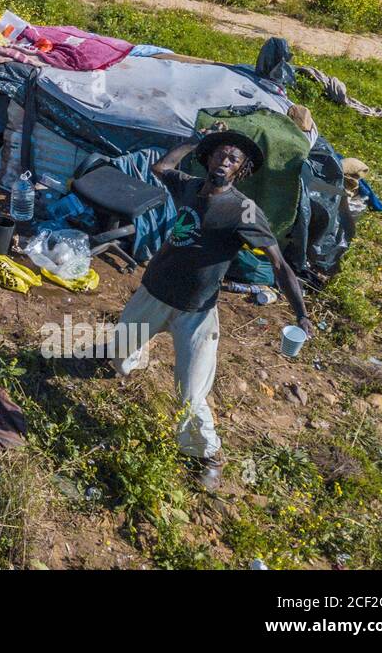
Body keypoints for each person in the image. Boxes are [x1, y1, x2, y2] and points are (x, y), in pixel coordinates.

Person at [108, 129, 312, 492]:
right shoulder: (189, 187)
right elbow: (160, 168)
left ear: (241, 170)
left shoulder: (243, 209)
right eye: (219, 154)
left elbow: (279, 264)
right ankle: (136, 360)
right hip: (155, 290)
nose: (224, 162)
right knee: (119, 355)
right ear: (209, 159)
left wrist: (301, 313)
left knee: (190, 395)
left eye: (233, 159)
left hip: (196, 310)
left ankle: (209, 456)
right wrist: (192, 140)